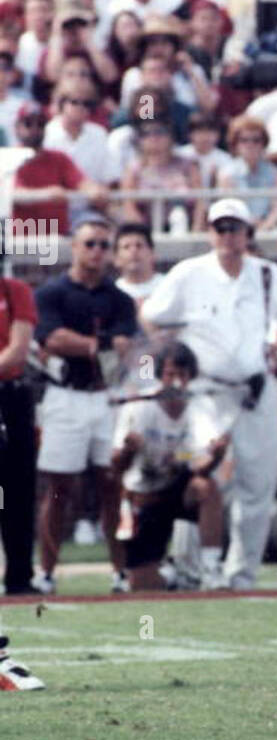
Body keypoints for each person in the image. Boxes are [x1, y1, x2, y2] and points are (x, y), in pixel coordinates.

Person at [142, 198, 277, 590]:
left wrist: (272, 351)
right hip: (205, 393)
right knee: (200, 479)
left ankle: (241, 576)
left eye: (235, 228)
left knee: (257, 486)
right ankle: (191, 571)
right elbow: (151, 315)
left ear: (248, 234)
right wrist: (174, 359)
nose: (227, 236)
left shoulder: (266, 273)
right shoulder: (188, 272)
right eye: (220, 228)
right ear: (210, 232)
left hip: (255, 390)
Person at [33, 216, 140, 595]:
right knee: (59, 488)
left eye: (103, 245)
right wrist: (99, 344)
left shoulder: (119, 299)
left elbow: (128, 345)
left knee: (112, 484)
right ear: (74, 247)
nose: (97, 251)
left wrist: (87, 344)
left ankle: (120, 572)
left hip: (106, 397)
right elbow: (51, 338)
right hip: (66, 395)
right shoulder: (52, 293)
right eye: (90, 243)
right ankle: (45, 572)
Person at [111, 342, 229, 592]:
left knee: (206, 487)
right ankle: (173, 575)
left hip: (179, 488)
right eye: (170, 374)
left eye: (182, 376)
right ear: (160, 375)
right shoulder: (140, 407)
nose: (176, 382)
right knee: (142, 585)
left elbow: (202, 467)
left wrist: (217, 454)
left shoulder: (200, 407)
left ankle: (211, 569)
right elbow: (117, 467)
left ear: (190, 377)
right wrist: (129, 449)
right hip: (144, 495)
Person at [12, 103, 109, 236]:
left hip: (57, 237)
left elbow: (80, 182)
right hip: (21, 240)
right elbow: (11, 192)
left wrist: (94, 190)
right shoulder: (7, 159)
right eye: (28, 124)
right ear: (17, 128)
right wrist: (46, 194)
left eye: (40, 124)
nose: (35, 129)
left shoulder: (58, 158)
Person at [0, 268, 38, 597]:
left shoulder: (15, 291)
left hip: (8, 394)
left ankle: (19, 577)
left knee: (18, 490)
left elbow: (18, 350)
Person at [114, 222, 162, 315]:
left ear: (152, 254)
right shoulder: (112, 292)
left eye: (139, 245)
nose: (133, 251)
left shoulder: (167, 285)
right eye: (126, 247)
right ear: (116, 259)